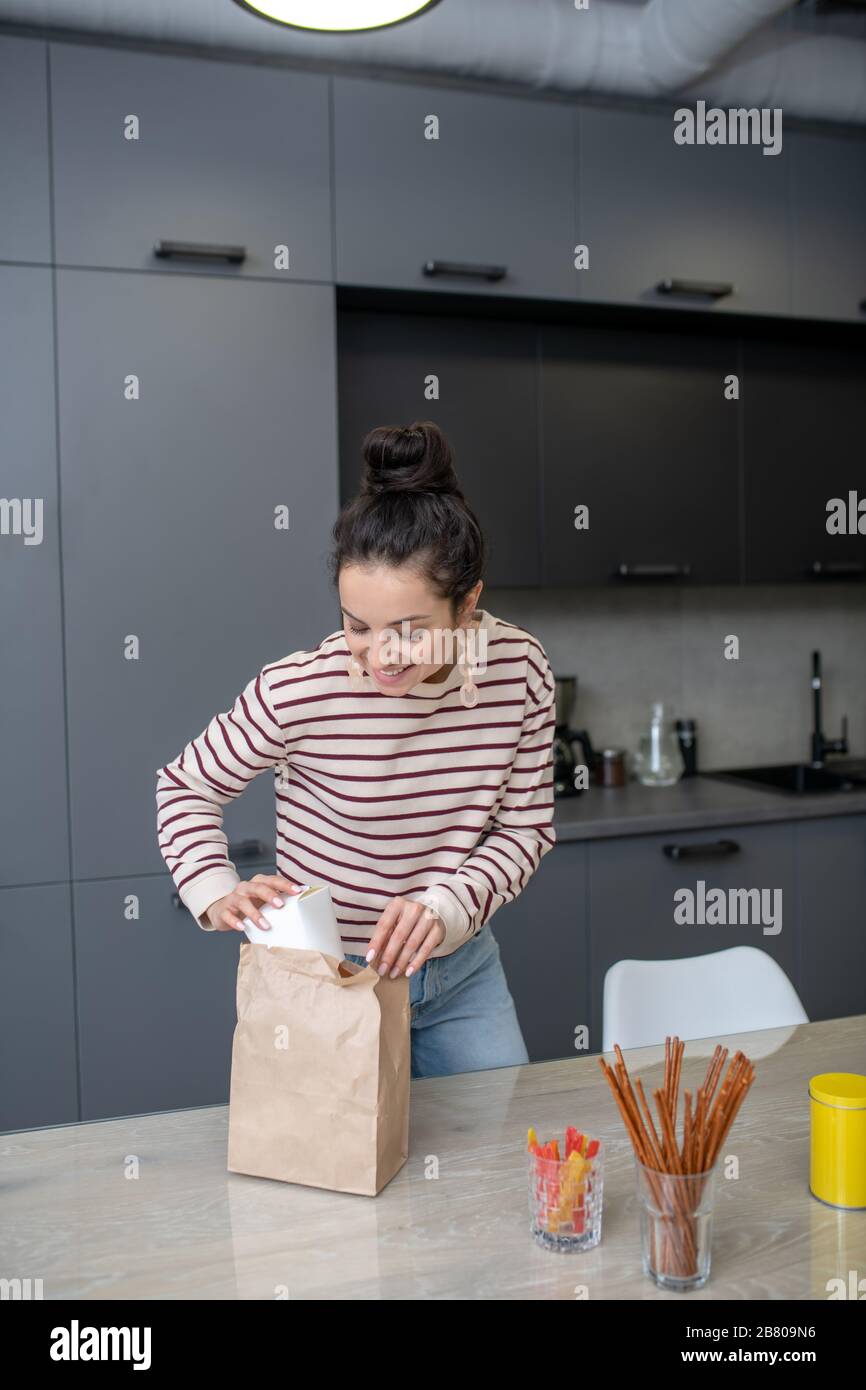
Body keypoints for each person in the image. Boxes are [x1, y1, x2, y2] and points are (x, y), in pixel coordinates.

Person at [156, 420, 556, 1077]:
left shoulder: (518, 669)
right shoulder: (300, 688)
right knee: (334, 1173)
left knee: (492, 1154)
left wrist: (447, 908)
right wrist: (212, 886)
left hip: (461, 975)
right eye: (358, 627)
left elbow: (524, 830)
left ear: (468, 605)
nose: (382, 657)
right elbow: (187, 785)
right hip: (328, 978)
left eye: (409, 629)